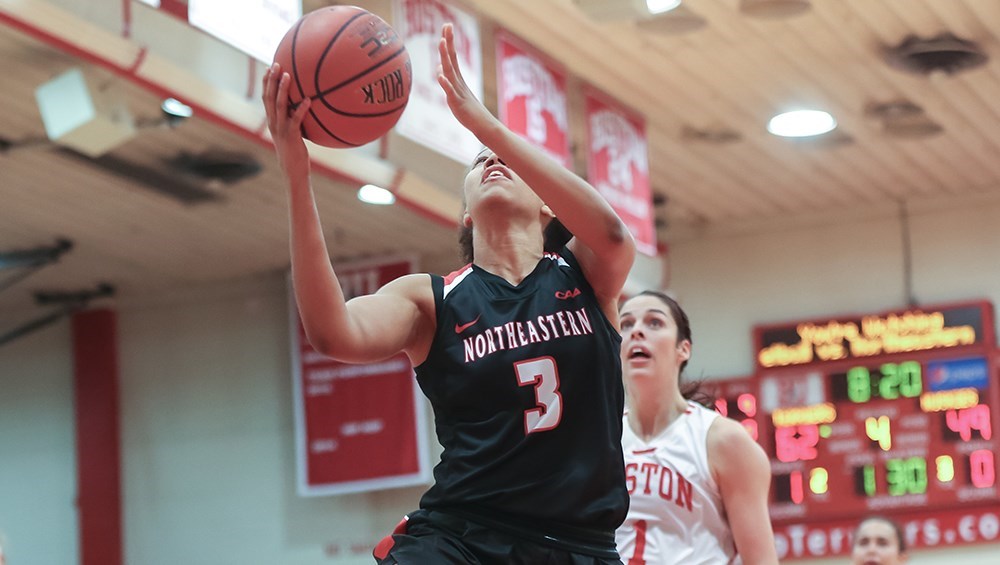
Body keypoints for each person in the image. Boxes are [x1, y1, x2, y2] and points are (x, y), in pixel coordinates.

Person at [262, 22, 636, 564]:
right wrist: (297, 177)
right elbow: (332, 333)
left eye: (504, 157)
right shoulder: (431, 300)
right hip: (463, 537)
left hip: (579, 546)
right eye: (479, 160)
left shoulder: (584, 275)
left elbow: (614, 234)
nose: (492, 160)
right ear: (465, 213)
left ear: (549, 203)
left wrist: (485, 125)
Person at [615, 291, 778, 564]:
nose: (637, 331)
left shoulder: (722, 439)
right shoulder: (600, 440)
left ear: (683, 349)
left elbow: (761, 560)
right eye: (626, 324)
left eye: (654, 322)